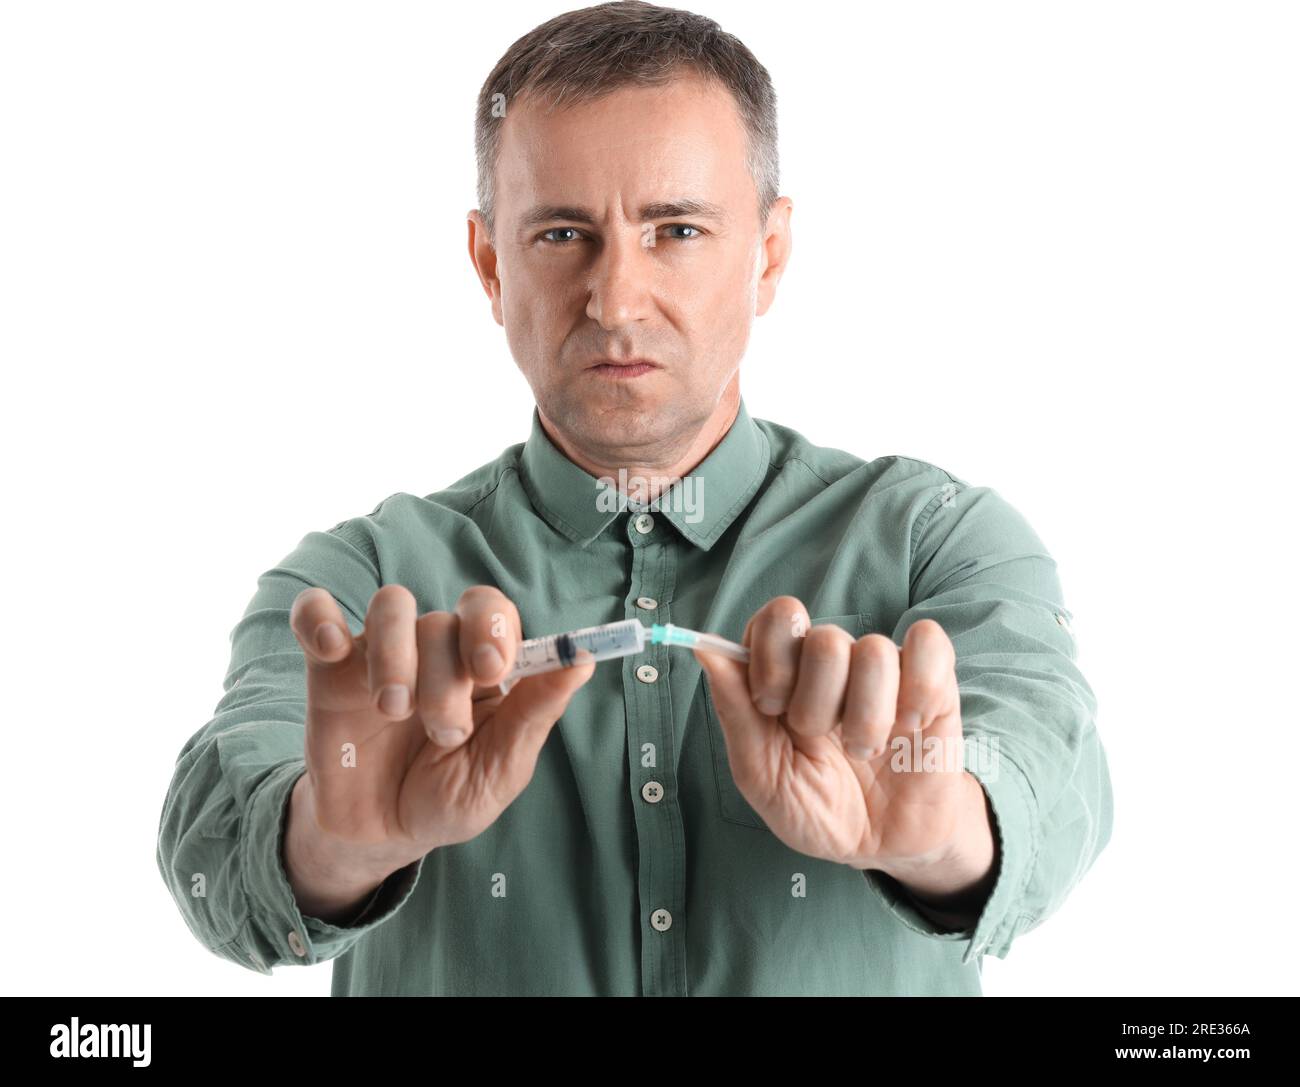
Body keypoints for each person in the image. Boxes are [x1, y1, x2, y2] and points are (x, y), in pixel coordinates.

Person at [156, 0, 1113, 996]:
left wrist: (949, 832)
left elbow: (1056, 774)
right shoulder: (356, 585)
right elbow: (213, 846)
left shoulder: (938, 544)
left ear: (769, 253)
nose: (615, 300)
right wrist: (330, 844)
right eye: (563, 232)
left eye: (677, 229)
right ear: (489, 263)